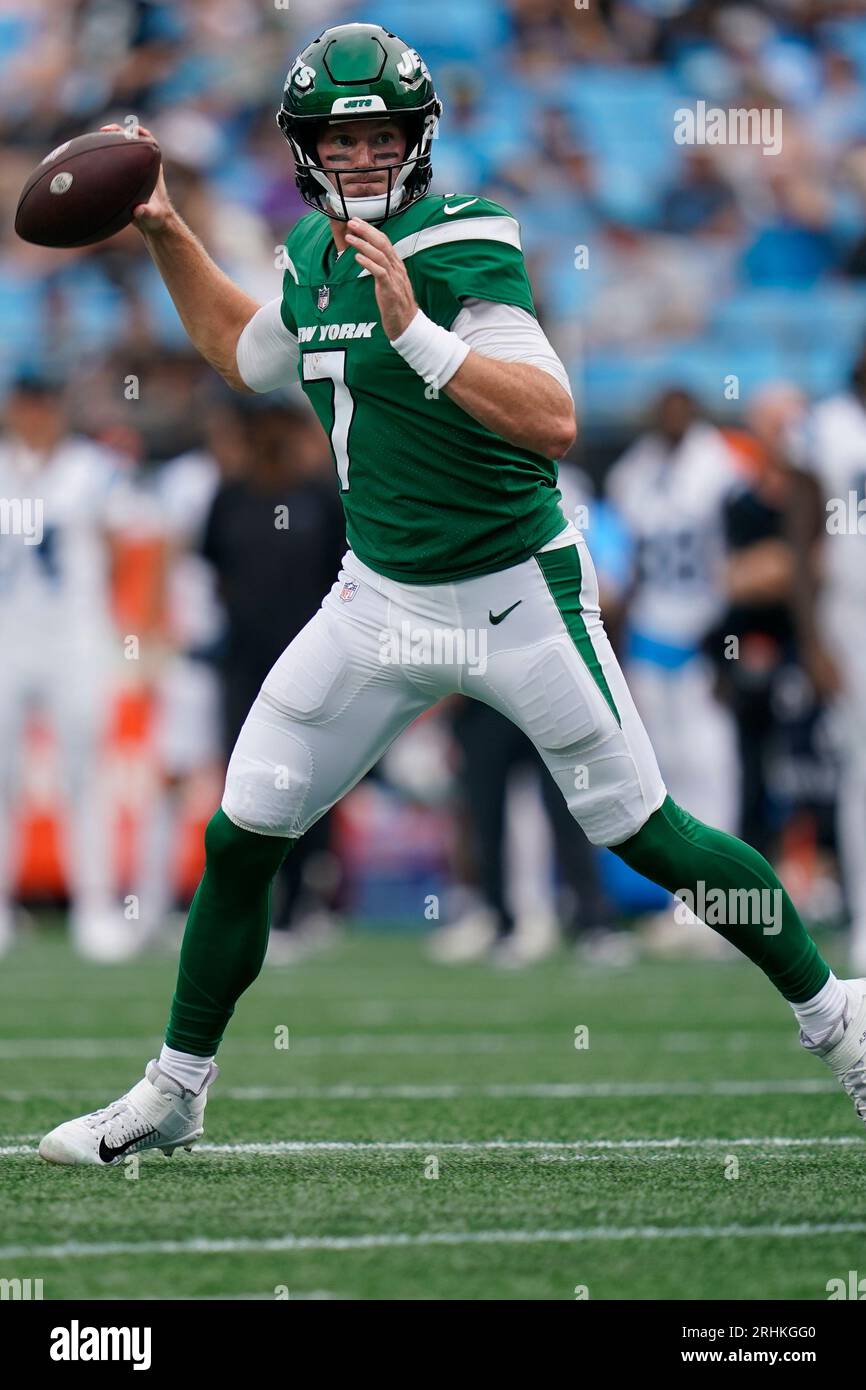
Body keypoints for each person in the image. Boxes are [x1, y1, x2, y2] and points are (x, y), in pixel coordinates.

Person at [39, 22, 866, 1165]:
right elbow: (245, 355)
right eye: (338, 138)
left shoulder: (462, 238)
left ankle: (839, 1022)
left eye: (379, 135)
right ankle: (176, 1089)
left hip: (515, 593)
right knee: (241, 832)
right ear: (304, 148)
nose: (360, 156)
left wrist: (419, 335)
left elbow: (553, 419)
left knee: (646, 832)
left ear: (417, 139)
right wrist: (168, 232)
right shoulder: (313, 253)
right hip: (379, 597)